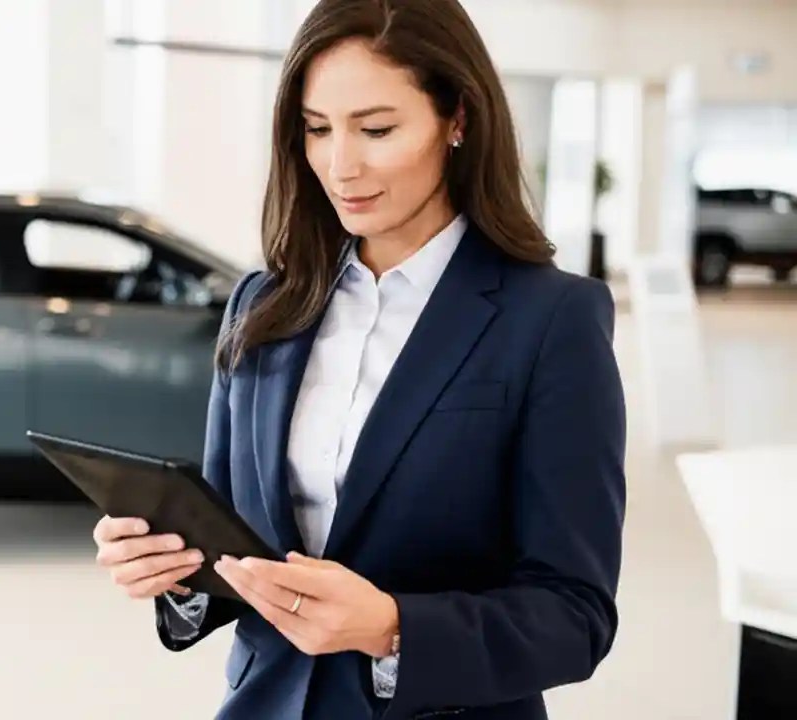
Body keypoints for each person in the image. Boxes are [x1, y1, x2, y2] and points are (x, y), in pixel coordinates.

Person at [92, 0, 626, 717]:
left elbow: (574, 616)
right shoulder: (264, 304)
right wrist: (179, 576)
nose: (340, 166)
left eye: (376, 129)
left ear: (458, 119)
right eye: (317, 129)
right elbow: (234, 545)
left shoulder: (552, 319)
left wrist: (392, 629)